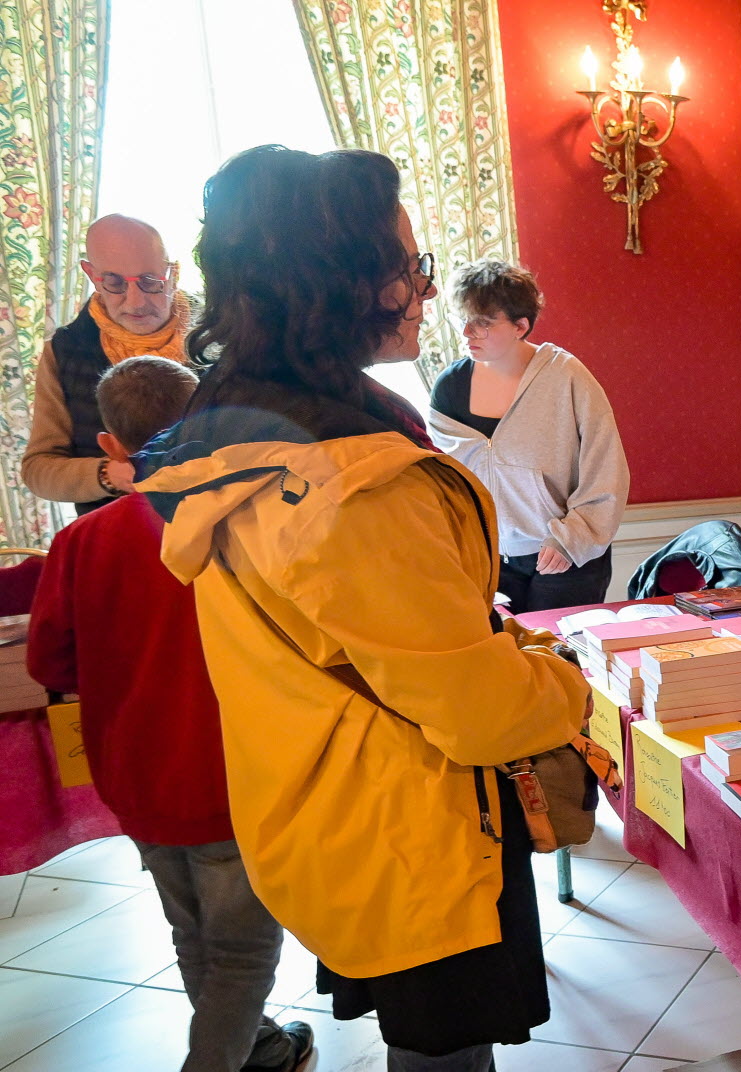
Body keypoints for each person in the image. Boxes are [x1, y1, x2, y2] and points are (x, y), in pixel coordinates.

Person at [138, 145, 591, 1072]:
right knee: (444, 1055)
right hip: (415, 825)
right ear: (331, 283)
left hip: (335, 803)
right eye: (406, 266)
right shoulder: (350, 480)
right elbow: (477, 709)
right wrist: (567, 683)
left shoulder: (241, 429)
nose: (424, 291)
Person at [27, 356, 313, 1072]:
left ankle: (263, 1048)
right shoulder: (244, 523)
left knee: (192, 935)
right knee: (244, 948)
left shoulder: (79, 542)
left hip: (134, 773)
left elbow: (49, 664)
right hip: (230, 774)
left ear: (110, 449)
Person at [426, 259, 628, 613]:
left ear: (521, 325)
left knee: (560, 662)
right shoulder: (450, 388)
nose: (467, 333)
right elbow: (441, 479)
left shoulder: (567, 377)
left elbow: (605, 466)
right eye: (464, 320)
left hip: (565, 556)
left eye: (484, 323)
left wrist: (570, 539)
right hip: (487, 558)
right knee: (502, 661)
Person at [21, 214, 194, 513]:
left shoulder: (217, 334)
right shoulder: (64, 352)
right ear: (91, 275)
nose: (135, 301)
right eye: (115, 283)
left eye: (150, 282)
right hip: (118, 538)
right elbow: (38, 470)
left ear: (174, 273)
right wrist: (109, 474)